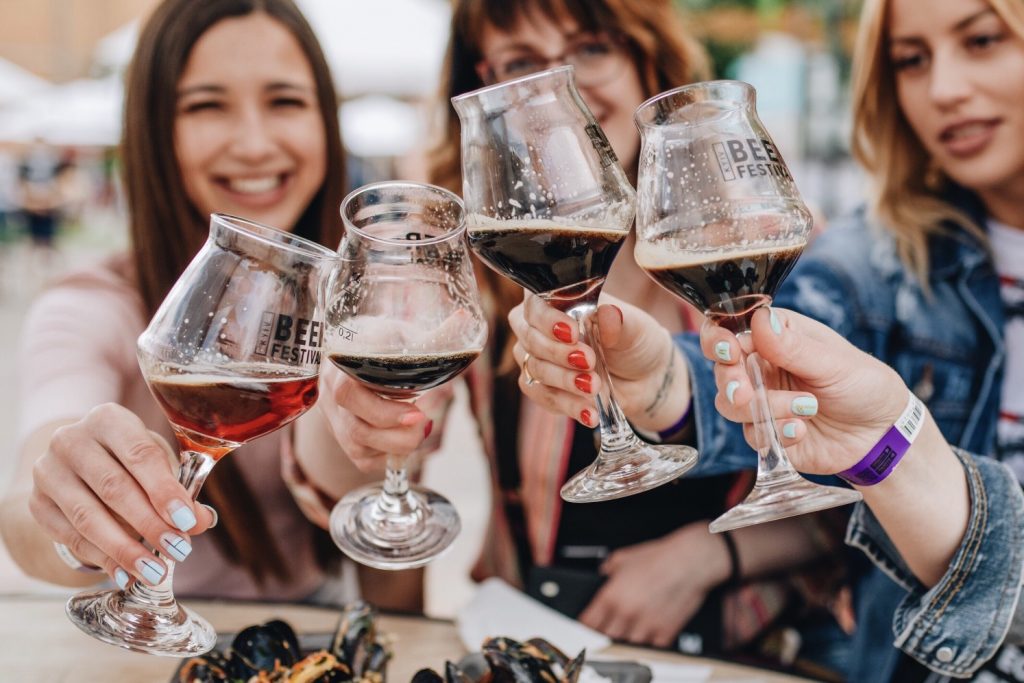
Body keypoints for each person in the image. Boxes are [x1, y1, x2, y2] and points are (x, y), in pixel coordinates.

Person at [313, 0, 852, 667]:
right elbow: (381, 468)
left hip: (739, 653)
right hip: (533, 644)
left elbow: (852, 487)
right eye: (520, 65)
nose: (555, 92)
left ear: (643, 62)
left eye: (590, 49)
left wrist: (706, 556)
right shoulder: (468, 269)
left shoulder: (761, 238)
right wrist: (353, 398)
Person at [509, 0, 1024, 678]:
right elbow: (784, 365)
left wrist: (898, 454)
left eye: (983, 40)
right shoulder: (872, 261)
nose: (945, 88)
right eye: (911, 59)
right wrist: (662, 380)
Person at [0, 0, 420, 611]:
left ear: (325, 122)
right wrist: (68, 519)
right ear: (152, 130)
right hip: (131, 646)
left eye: (284, 101)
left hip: (308, 626)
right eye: (205, 105)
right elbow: (25, 513)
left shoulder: (372, 317)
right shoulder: (93, 305)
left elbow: (384, 558)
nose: (253, 144)